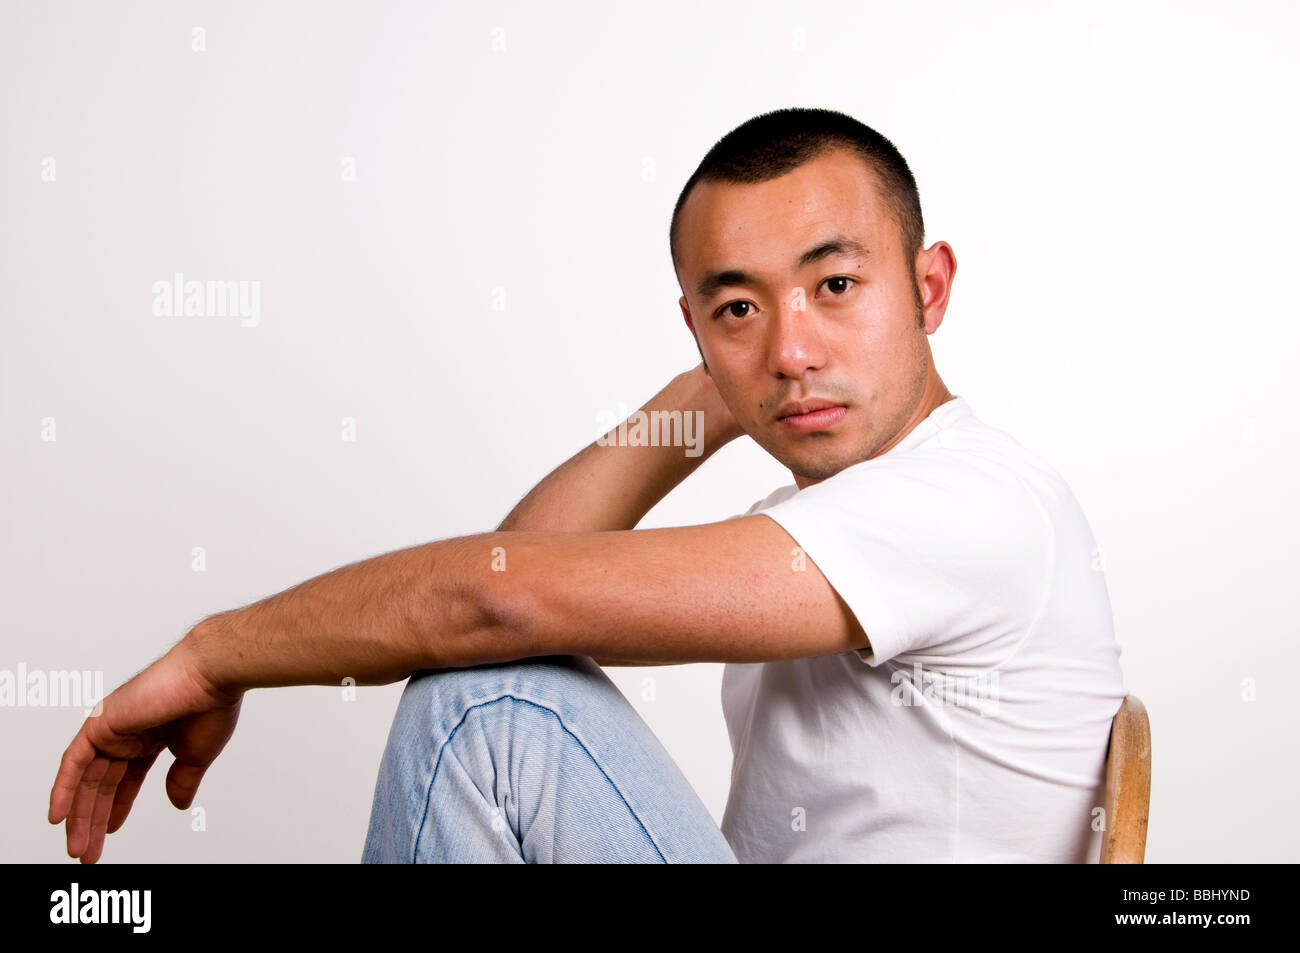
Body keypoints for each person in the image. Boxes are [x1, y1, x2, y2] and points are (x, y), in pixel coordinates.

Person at [48, 107, 1126, 864]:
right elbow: (523, 564)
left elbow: (492, 602)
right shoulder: (826, 513)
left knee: (489, 706)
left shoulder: (974, 505)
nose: (792, 349)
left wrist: (215, 654)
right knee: (484, 684)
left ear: (928, 288)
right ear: (695, 328)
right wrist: (716, 390)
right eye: (738, 307)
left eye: (835, 284)